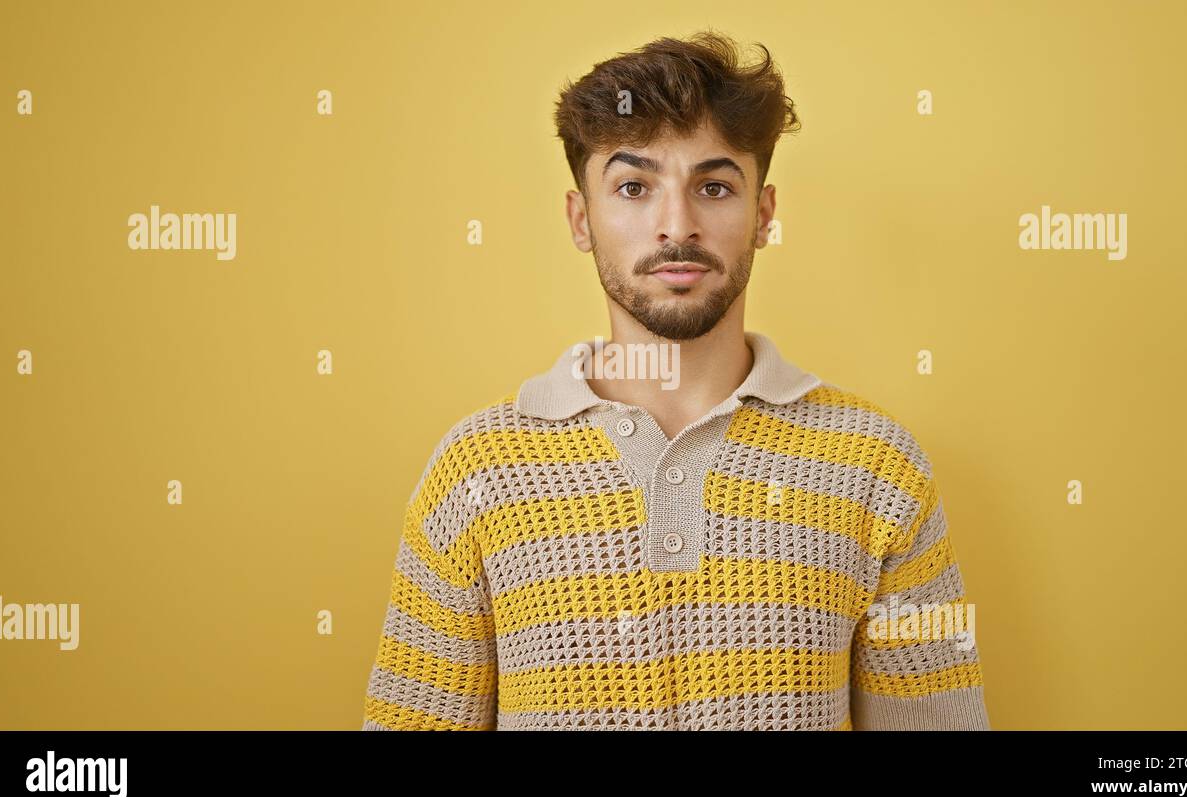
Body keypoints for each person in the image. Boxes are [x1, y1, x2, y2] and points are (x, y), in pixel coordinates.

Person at [360, 29, 989, 730]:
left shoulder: (881, 470)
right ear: (581, 219)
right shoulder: (472, 475)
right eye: (634, 186)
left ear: (764, 216)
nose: (676, 225)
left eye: (714, 186)